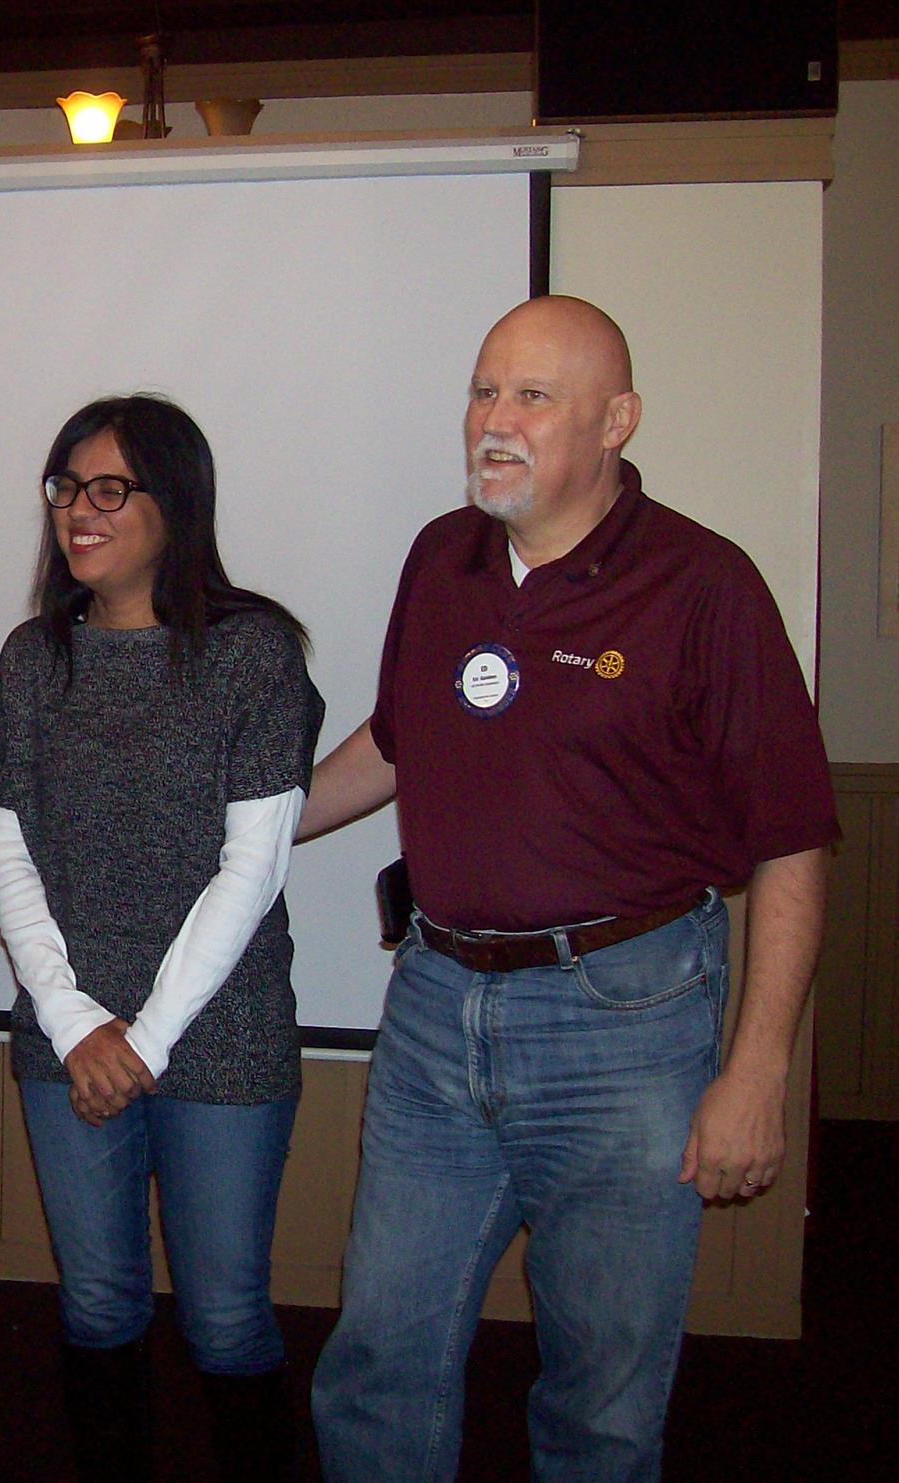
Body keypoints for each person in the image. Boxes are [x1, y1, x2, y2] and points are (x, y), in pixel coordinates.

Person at [304, 295, 837, 1481]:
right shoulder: (441, 558)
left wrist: (757, 1071)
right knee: (378, 1359)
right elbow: (398, 741)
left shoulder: (703, 584)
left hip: (627, 1025)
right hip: (435, 1009)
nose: (494, 420)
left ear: (617, 420)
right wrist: (260, 827)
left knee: (602, 1396)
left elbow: (795, 841)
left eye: (533, 397)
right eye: (484, 391)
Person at [0, 395, 324, 1481]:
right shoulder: (34, 659)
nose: (80, 511)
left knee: (224, 1315)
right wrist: (77, 1023)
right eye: (66, 487)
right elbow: (7, 855)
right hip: (67, 1038)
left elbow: (251, 870)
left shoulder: (254, 652)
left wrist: (145, 1038)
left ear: (177, 502)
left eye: (110, 488)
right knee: (97, 1302)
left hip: (222, 1033)